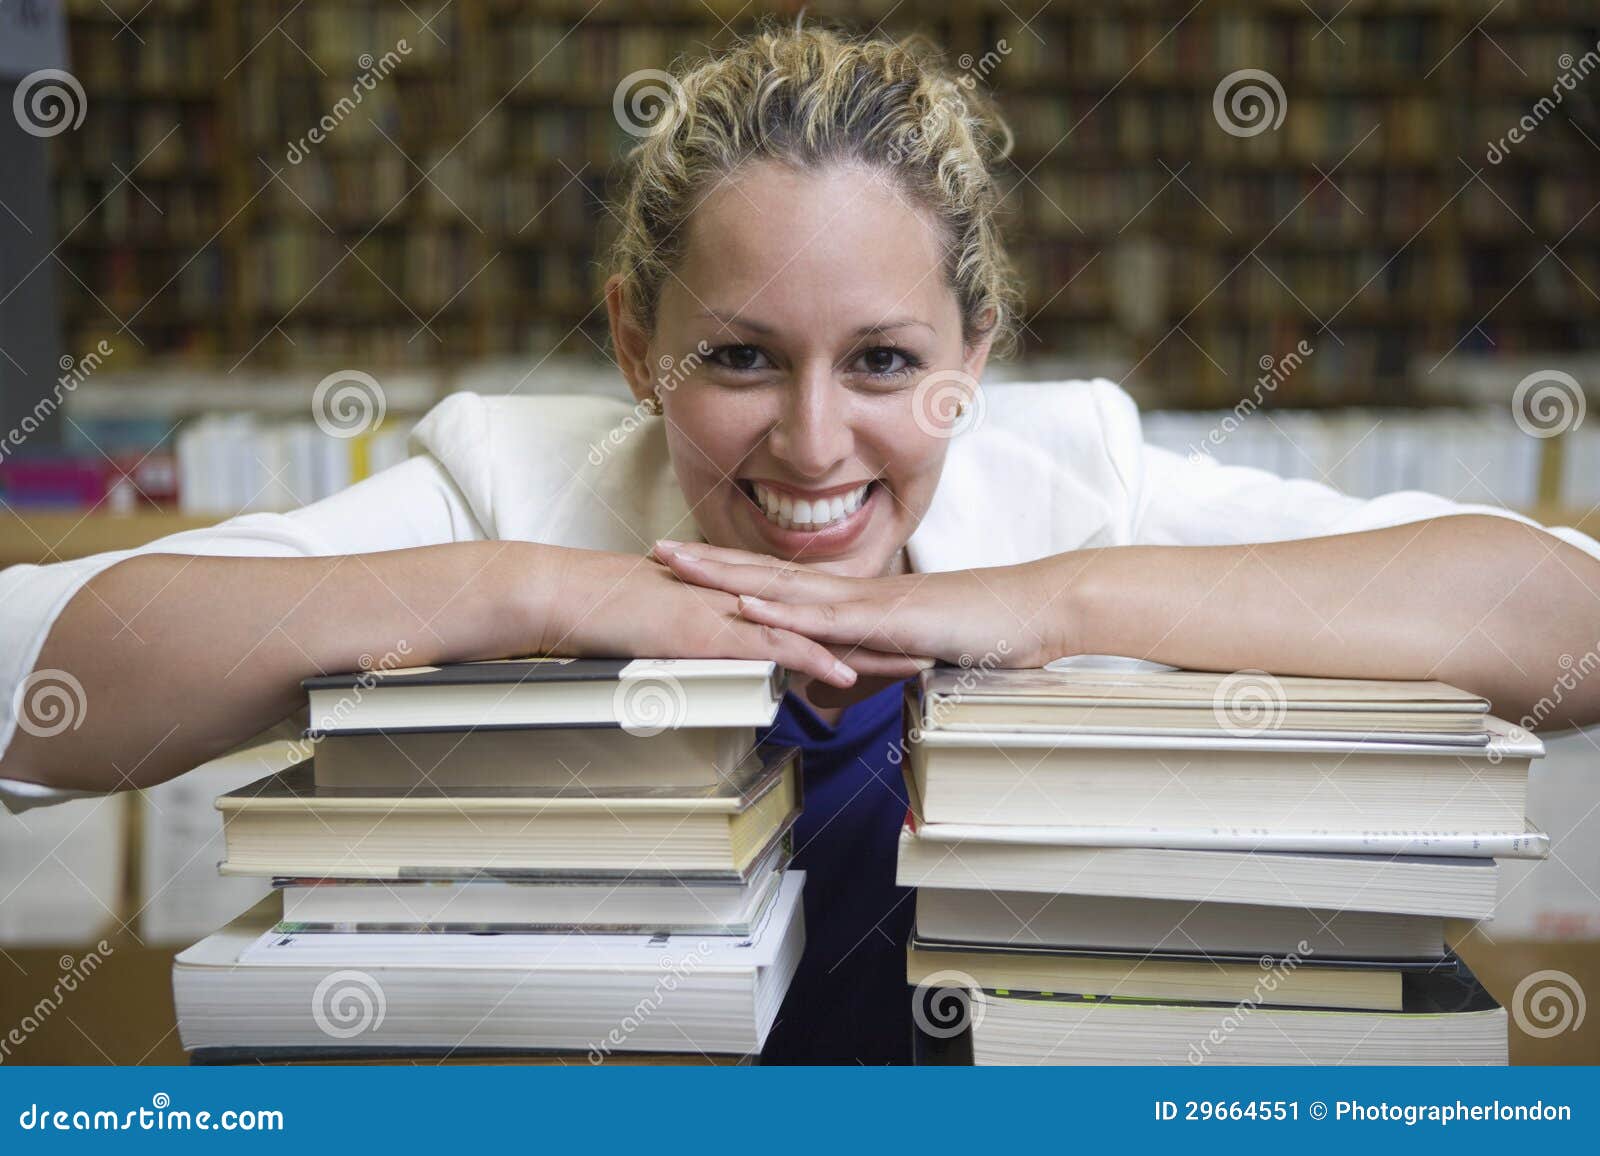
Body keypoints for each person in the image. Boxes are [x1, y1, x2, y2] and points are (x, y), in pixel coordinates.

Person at [2, 24, 1598, 1063]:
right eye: (742, 358)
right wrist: (534, 589)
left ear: (977, 353)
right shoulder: (515, 476)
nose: (816, 445)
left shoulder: (1072, 473)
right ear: (639, 343)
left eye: (889, 364)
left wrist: (1054, 601)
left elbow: (1567, 628)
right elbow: (26, 687)